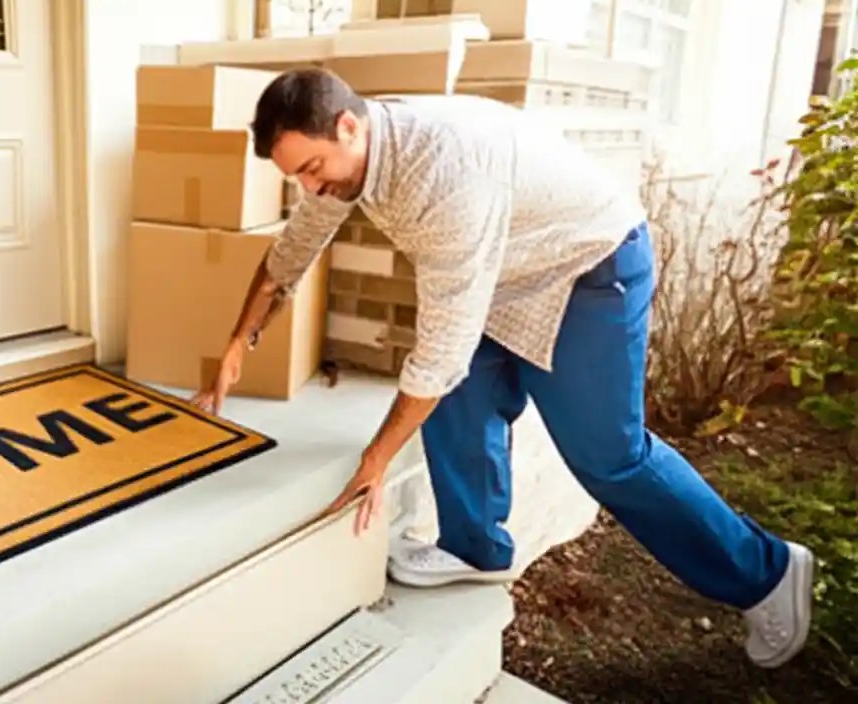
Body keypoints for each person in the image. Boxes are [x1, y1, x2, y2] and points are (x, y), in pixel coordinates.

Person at [189, 67, 814, 670]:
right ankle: (474, 548)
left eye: (311, 169)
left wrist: (375, 459)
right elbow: (291, 251)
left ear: (347, 126)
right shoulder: (348, 162)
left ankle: (766, 574)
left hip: (587, 267)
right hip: (507, 269)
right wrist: (240, 343)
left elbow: (439, 353)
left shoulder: (444, 170)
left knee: (610, 457)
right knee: (454, 399)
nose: (309, 187)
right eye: (296, 174)